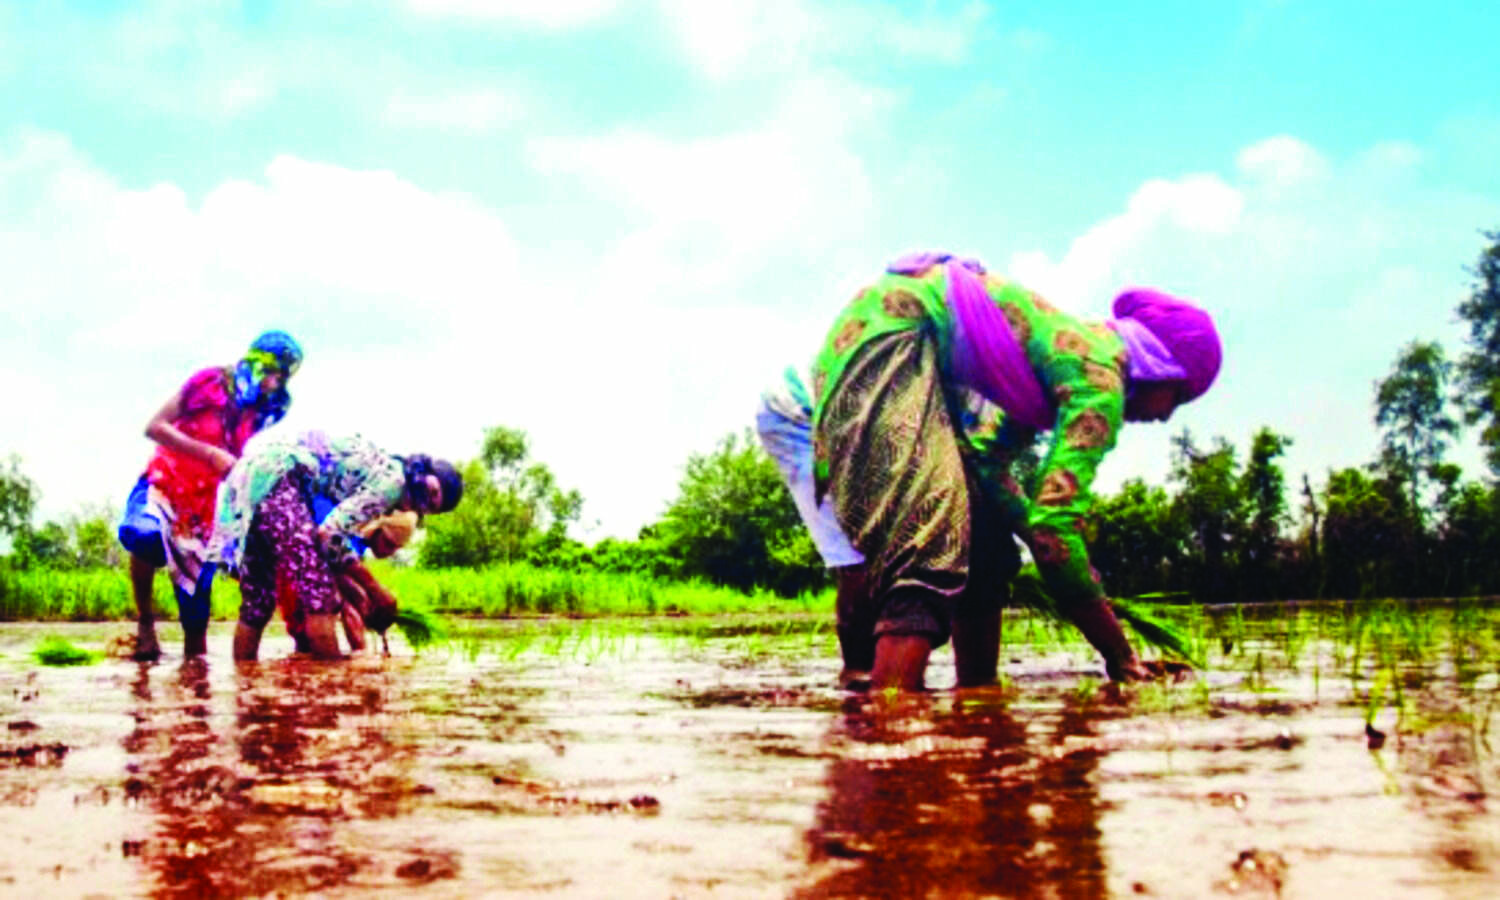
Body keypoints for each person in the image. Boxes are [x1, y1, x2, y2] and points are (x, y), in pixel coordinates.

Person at [806, 251, 1222, 691]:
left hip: (878, 333)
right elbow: (1053, 534)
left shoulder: (1059, 363)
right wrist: (1121, 657)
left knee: (985, 540)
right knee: (930, 542)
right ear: (1162, 369)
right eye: (1177, 398)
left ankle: (978, 702)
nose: (1165, 417)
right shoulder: (1100, 380)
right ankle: (890, 729)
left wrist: (1033, 531)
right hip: (888, 341)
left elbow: (989, 464)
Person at [116, 331, 303, 661]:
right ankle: (145, 623)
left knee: (196, 615)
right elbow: (155, 427)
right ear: (258, 362)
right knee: (144, 536)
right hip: (164, 483)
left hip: (202, 509)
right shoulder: (210, 383)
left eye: (282, 378)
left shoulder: (264, 408)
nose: (274, 384)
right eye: (273, 373)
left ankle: (196, 693)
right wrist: (208, 454)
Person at [207, 429, 462, 661]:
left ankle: (244, 692)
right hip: (279, 477)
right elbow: (328, 534)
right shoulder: (394, 483)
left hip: (252, 475)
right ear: (424, 471)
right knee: (320, 595)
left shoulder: (387, 469)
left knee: (258, 603)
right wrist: (375, 589)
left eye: (431, 508)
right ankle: (330, 697)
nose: (424, 504)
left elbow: (329, 543)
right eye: (432, 493)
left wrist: (359, 593)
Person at [277, 506, 415, 654]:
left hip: (305, 567)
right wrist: (361, 653)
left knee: (306, 642)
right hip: (292, 560)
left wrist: (363, 605)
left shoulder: (357, 546)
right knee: (304, 634)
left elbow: (347, 592)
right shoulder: (349, 539)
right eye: (388, 544)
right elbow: (348, 605)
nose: (389, 552)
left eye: (396, 548)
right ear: (376, 530)